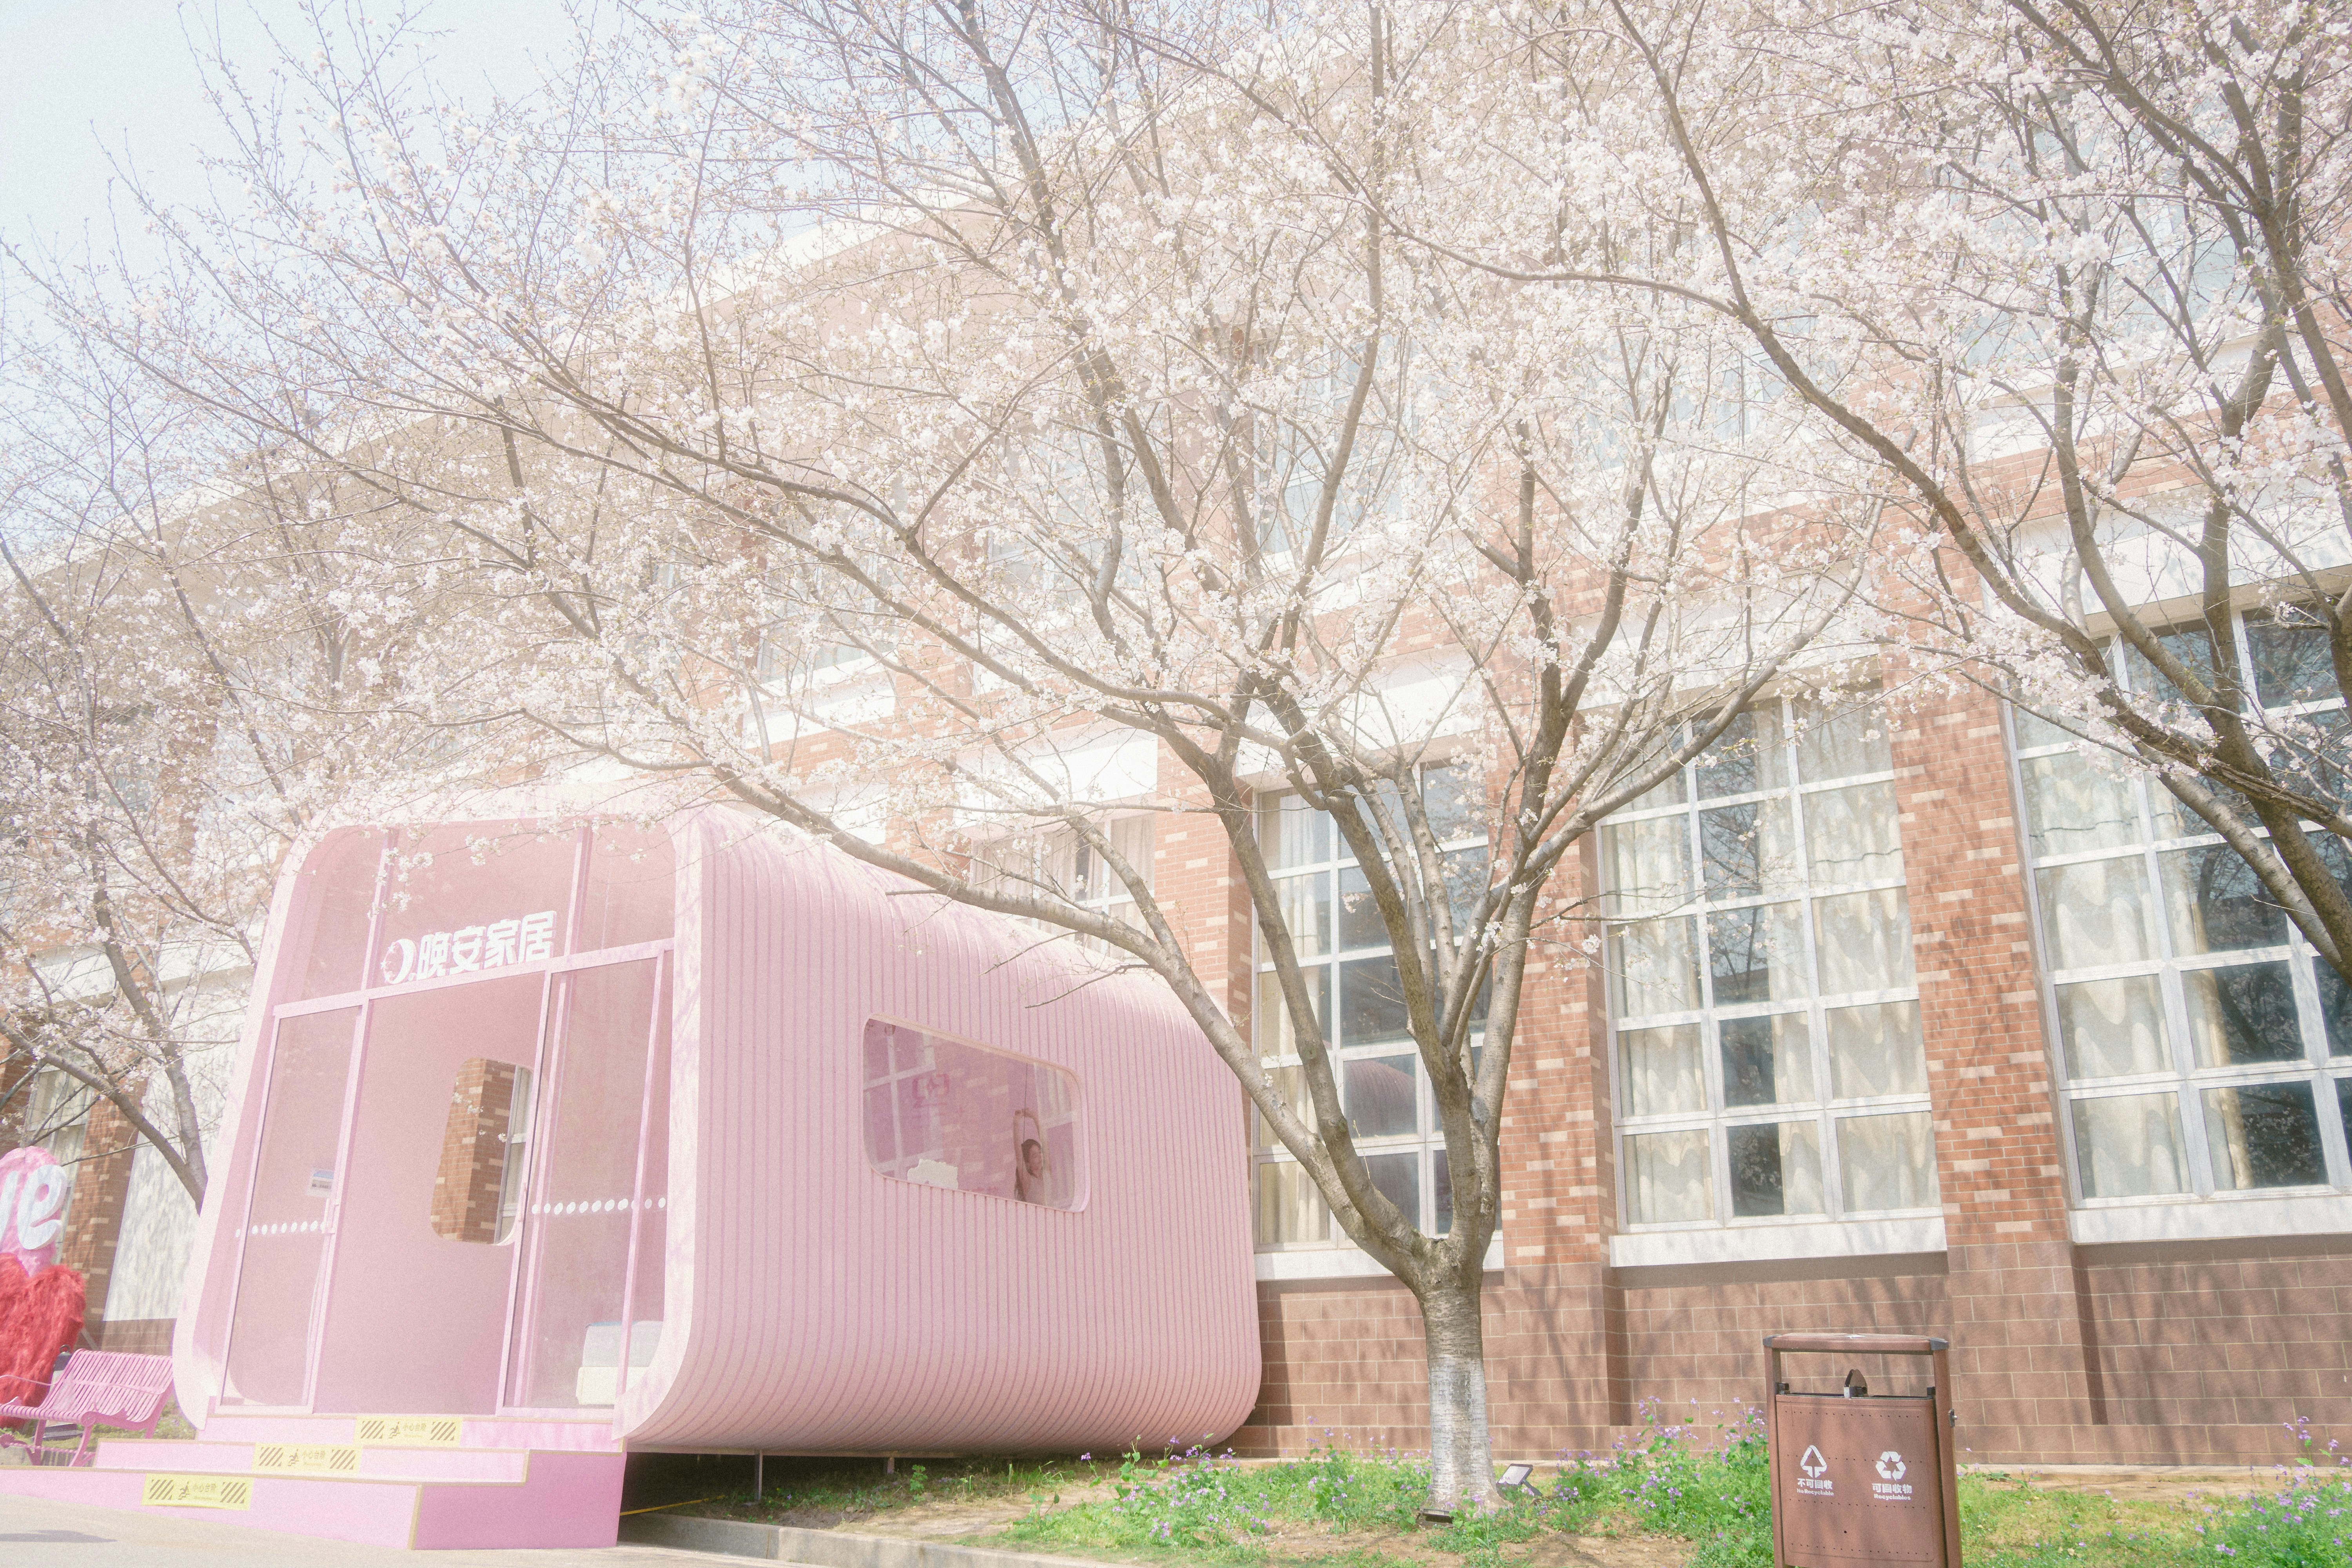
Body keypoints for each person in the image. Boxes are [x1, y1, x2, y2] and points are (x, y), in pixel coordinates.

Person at [1014, 1137, 1049, 1204]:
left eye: (1040, 1152)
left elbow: (1046, 1145)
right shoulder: (1028, 1182)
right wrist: (1016, 1126)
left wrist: (1039, 1126)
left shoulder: (1046, 1176)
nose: (1040, 1157)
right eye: (1035, 1156)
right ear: (1028, 1163)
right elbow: (1019, 1155)